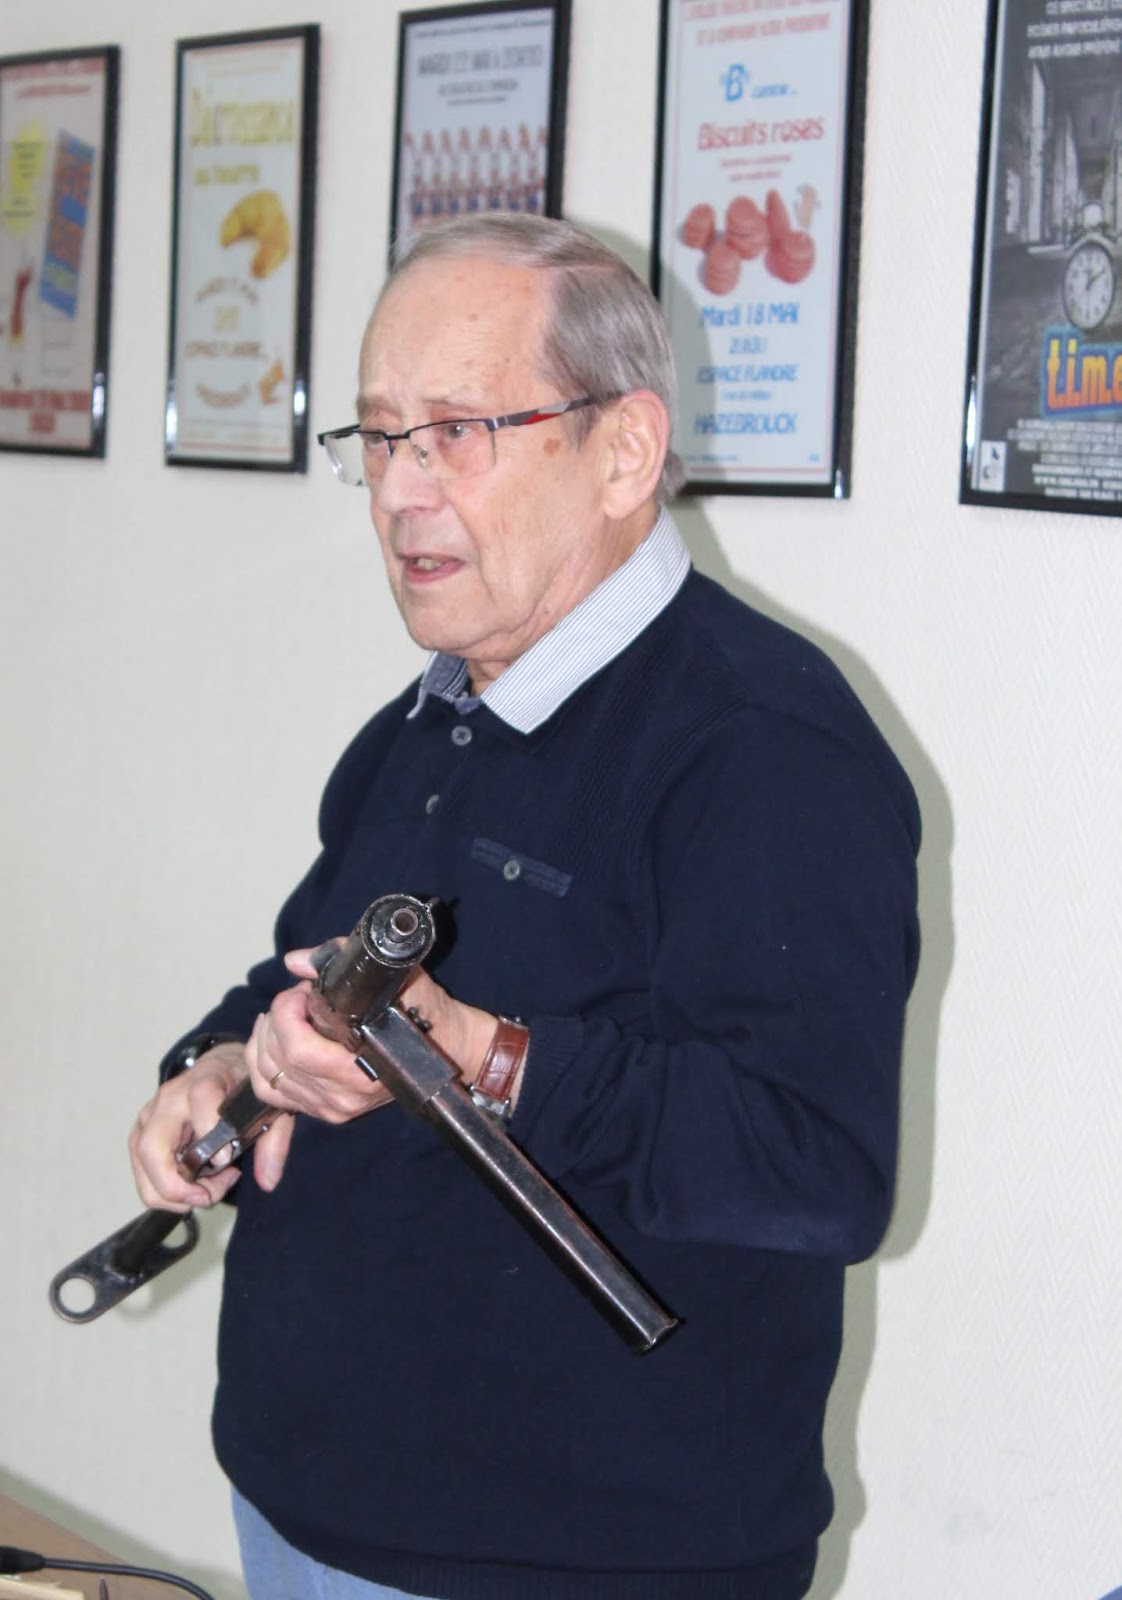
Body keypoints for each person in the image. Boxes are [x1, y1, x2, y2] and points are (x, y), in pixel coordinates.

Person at [129, 213, 921, 1600]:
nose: (399, 490)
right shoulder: (435, 713)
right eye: (378, 438)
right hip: (306, 1503)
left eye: (458, 430)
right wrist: (219, 1068)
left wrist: (489, 1056)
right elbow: (307, 973)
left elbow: (814, 1167)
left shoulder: (762, 747)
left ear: (621, 451)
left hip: (573, 1558)